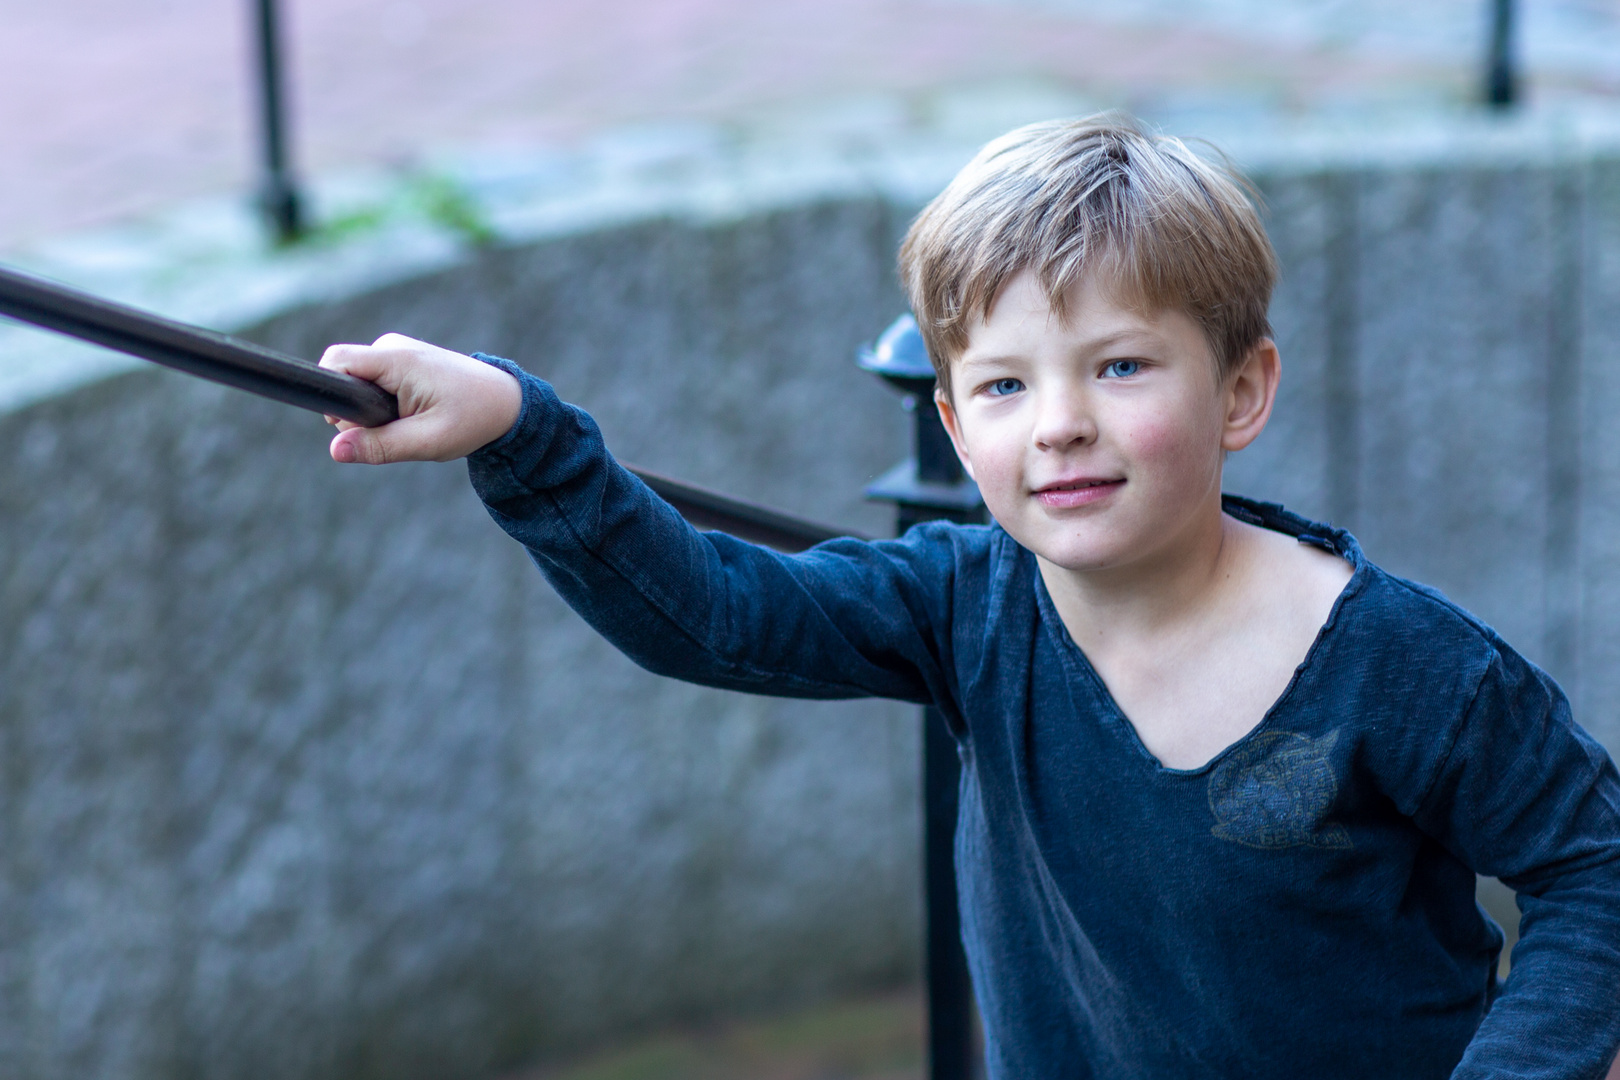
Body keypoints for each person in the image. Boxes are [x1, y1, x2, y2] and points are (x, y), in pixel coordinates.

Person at [318, 115, 1620, 1079]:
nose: (1059, 425)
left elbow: (1594, 867)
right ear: (950, 417)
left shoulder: (1402, 663)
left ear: (1241, 390)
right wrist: (516, 430)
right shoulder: (961, 604)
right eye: (1004, 386)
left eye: (1118, 366)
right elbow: (712, 611)